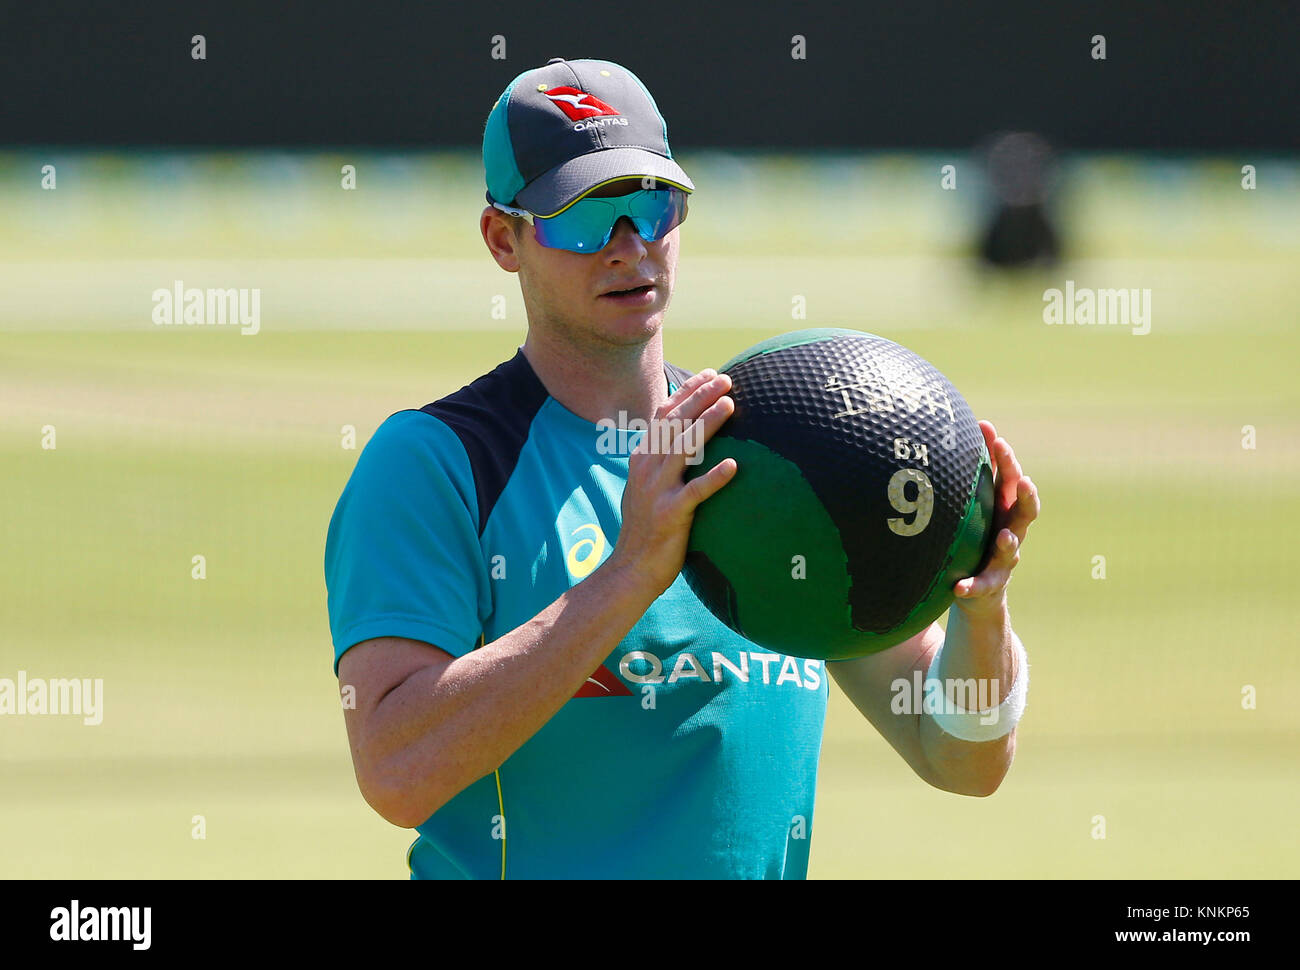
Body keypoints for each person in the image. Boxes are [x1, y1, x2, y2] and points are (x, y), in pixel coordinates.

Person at [324, 57, 1041, 879]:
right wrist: (630, 571)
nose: (628, 247)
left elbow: (961, 759)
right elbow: (395, 772)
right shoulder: (436, 464)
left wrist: (982, 610)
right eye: (583, 218)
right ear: (503, 240)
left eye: (650, 206)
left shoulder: (774, 449)